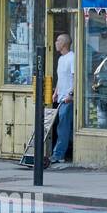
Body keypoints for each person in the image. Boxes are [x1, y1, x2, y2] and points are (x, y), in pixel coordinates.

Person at [49, 34, 74, 165]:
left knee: (62, 127)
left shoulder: (72, 58)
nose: (55, 42)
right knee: (62, 127)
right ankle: (64, 152)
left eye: (58, 40)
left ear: (64, 43)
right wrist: (56, 92)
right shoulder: (60, 59)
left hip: (68, 99)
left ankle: (58, 155)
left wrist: (71, 94)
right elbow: (61, 78)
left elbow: (76, 77)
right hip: (60, 98)